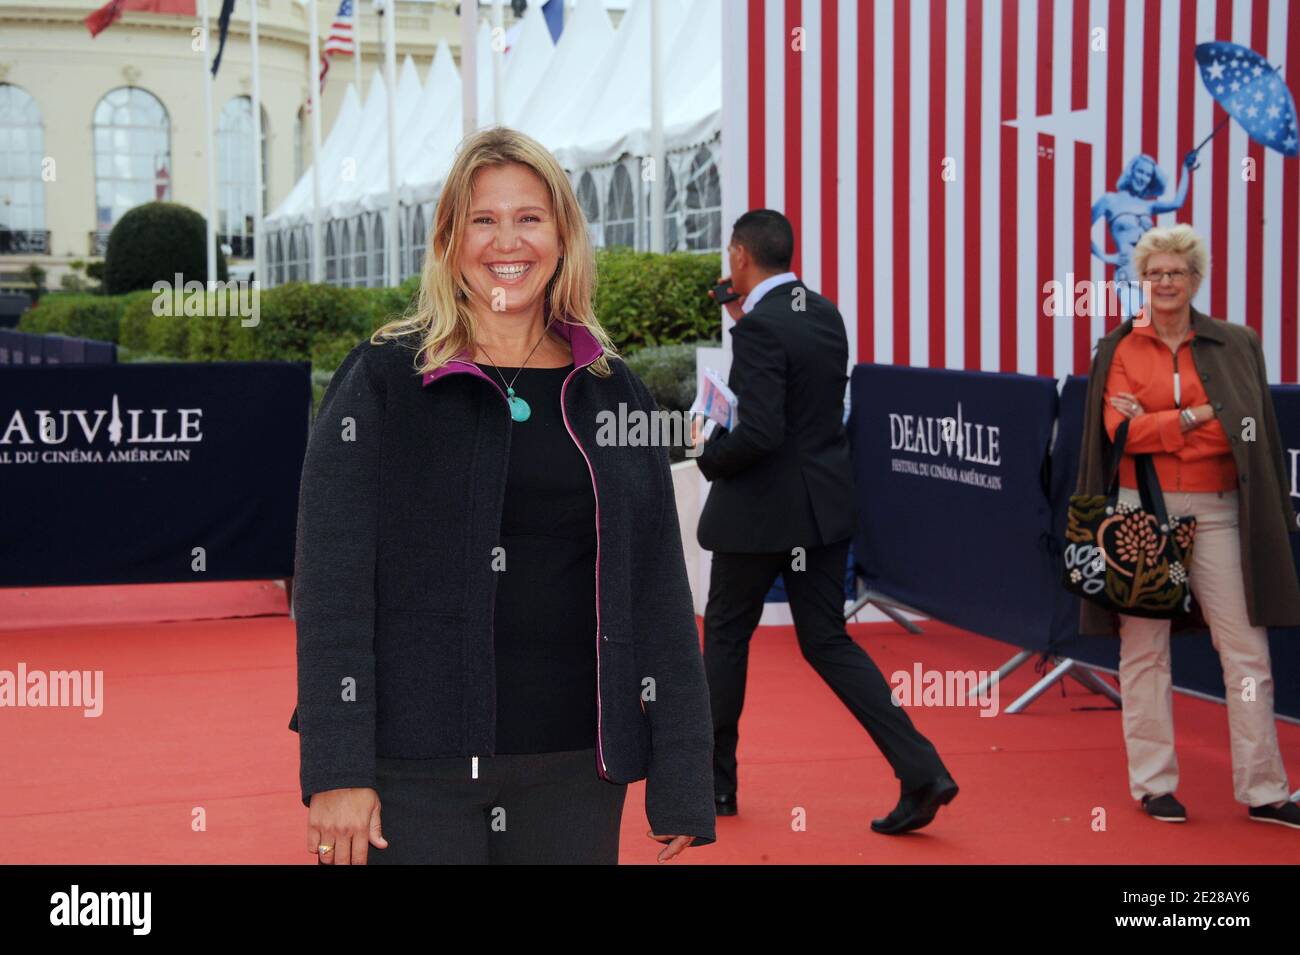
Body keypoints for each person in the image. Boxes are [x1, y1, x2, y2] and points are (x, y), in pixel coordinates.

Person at [287, 126, 716, 864]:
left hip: (575, 769)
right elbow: (331, 587)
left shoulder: (614, 391)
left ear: (562, 236)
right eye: (483, 219)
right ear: (450, 239)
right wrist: (336, 768)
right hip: (412, 772)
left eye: (529, 218)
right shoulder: (385, 379)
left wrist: (680, 766)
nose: (505, 241)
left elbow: (656, 589)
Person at [693, 208, 958, 835]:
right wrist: (744, 323)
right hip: (822, 512)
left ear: (738, 256)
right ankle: (922, 769)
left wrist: (709, 458)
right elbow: (805, 405)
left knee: (727, 637)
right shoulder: (823, 312)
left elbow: (759, 431)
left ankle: (715, 786)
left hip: (759, 516)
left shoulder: (758, 330)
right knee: (828, 642)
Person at [1076, 222, 1300, 830]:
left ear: (1196, 279)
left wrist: (1162, 422)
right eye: (1155, 273)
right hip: (1138, 512)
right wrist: (1196, 417)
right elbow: (1118, 433)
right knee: (1144, 652)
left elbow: (1245, 429)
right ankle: (1154, 784)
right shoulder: (1119, 347)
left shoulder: (1235, 343)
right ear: (1140, 280)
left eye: (1176, 272)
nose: (1165, 282)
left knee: (1246, 653)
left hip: (1222, 509)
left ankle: (1266, 788)